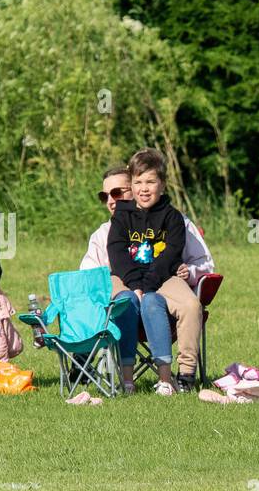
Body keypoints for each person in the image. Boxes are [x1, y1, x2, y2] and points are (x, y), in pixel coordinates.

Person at [82, 163, 214, 392]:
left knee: (184, 304)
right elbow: (88, 279)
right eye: (105, 196)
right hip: (123, 305)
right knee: (121, 300)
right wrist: (132, 288)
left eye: (117, 192)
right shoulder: (102, 235)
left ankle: (183, 378)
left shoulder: (176, 221)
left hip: (164, 301)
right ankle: (114, 374)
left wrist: (188, 272)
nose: (112, 200)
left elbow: (205, 264)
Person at [106, 149, 199, 396]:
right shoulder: (122, 215)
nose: (144, 189)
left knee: (191, 304)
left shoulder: (173, 217)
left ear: (163, 185)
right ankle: (123, 375)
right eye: (138, 182)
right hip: (126, 277)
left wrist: (147, 286)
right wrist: (135, 285)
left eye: (150, 182)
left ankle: (186, 373)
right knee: (121, 301)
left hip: (163, 277)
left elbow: (170, 254)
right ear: (131, 185)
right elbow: (117, 253)